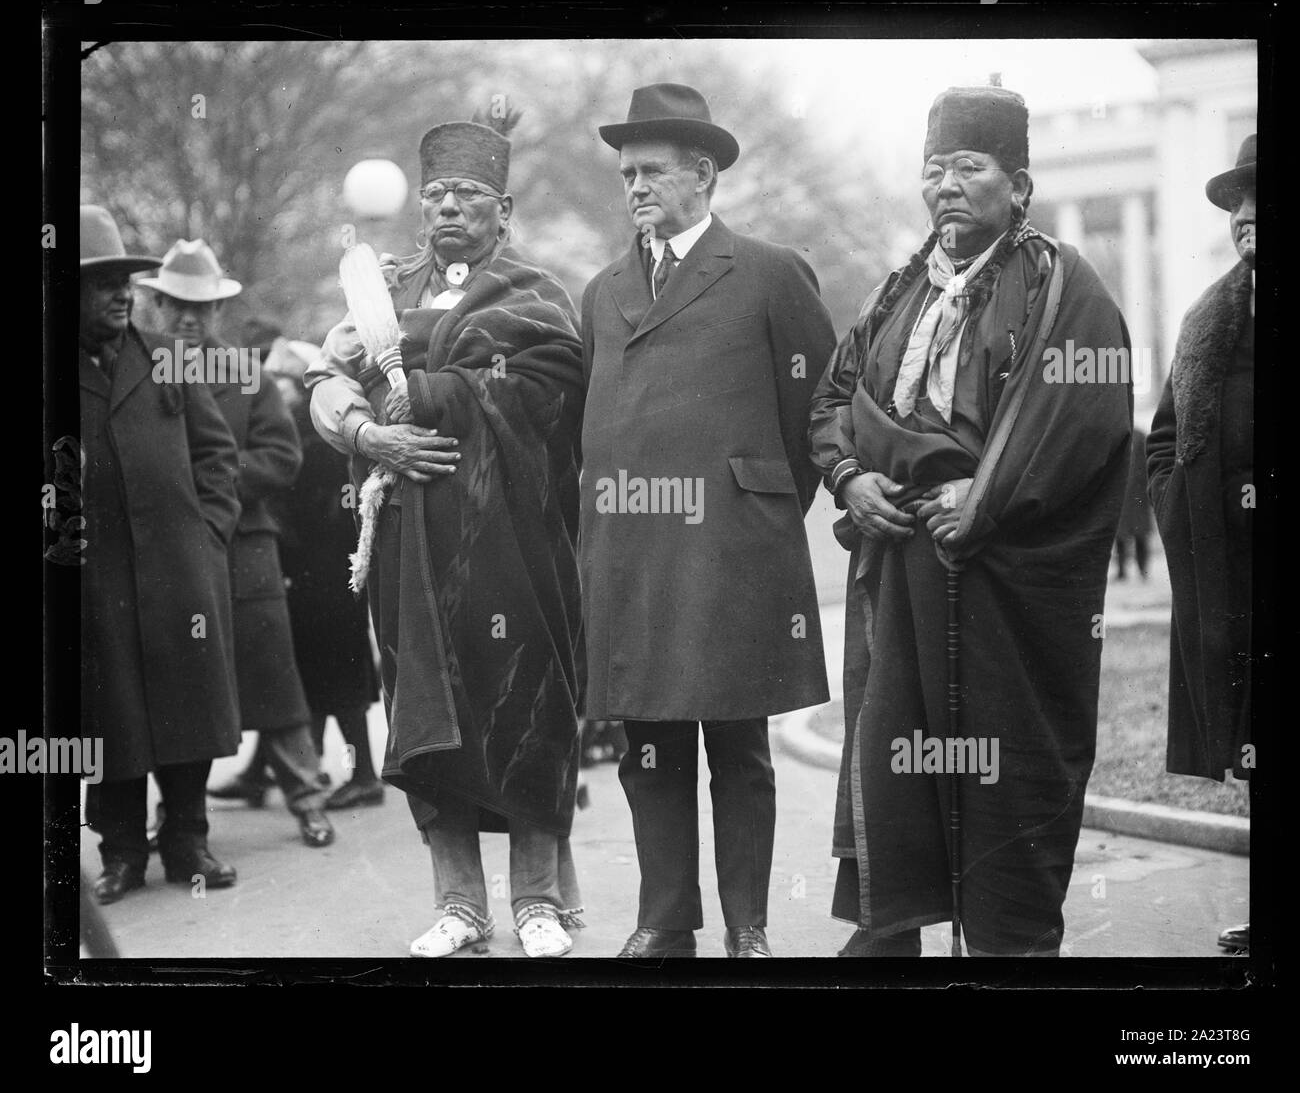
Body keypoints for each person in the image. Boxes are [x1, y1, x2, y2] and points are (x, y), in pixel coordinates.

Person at [808, 86, 1132, 956]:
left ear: (1017, 186)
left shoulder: (1062, 283)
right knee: (898, 761)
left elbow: (1080, 410)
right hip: (901, 571)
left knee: (1003, 774)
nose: (946, 184)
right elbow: (837, 395)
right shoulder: (896, 292)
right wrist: (850, 478)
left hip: (1002, 586)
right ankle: (894, 934)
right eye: (934, 169)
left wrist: (981, 497)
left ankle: (1008, 949)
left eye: (969, 167)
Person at [306, 106, 587, 957]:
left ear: (504, 210)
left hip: (514, 541)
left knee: (528, 706)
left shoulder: (535, 295)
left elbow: (553, 382)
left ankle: (537, 900)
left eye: (468, 194)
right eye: (436, 196)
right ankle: (460, 904)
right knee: (429, 712)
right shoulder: (384, 293)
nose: (449, 209)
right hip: (409, 544)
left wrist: (435, 395)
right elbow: (327, 380)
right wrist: (365, 433)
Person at [581, 83, 836, 958]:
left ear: (704, 174)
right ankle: (665, 921)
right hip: (634, 556)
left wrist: (756, 514)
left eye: (651, 171)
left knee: (740, 748)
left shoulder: (769, 271)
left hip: (735, 554)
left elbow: (816, 415)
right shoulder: (603, 291)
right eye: (625, 174)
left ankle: (748, 926)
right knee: (647, 748)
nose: (635, 188)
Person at [138, 241, 335, 849]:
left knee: (274, 679)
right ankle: (175, 818)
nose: (188, 320)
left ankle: (307, 798)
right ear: (157, 306)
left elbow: (283, 457)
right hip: (168, 555)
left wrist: (208, 481)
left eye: (200, 308)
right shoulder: (137, 371)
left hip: (245, 548)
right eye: (175, 306)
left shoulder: (245, 375)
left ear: (218, 312)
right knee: (176, 686)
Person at [78, 205, 242, 904]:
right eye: (100, 282)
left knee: (186, 706)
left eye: (124, 280)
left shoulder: (167, 357)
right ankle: (120, 853)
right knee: (108, 711)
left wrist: (206, 538)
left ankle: (187, 839)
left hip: (179, 571)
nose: (121, 293)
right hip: (95, 576)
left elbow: (217, 455)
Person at [1146, 134, 1256, 955]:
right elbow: (1163, 438)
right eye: (1236, 207)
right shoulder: (1208, 317)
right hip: (1230, 573)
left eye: (1260, 201)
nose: (1245, 218)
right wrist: (1177, 509)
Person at [260, 331, 383, 810]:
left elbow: (315, 516)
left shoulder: (309, 439)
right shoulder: (312, 433)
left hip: (322, 578)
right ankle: (339, 774)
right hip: (330, 577)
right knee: (332, 682)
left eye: (281, 381)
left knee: (340, 686)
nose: (273, 389)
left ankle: (362, 776)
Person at [1113, 426, 1152, 580]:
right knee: (1120, 536)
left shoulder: (1141, 437)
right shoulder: (1117, 435)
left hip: (1139, 496)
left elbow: (1148, 464)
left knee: (1140, 535)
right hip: (1121, 497)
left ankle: (1143, 570)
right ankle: (1121, 571)